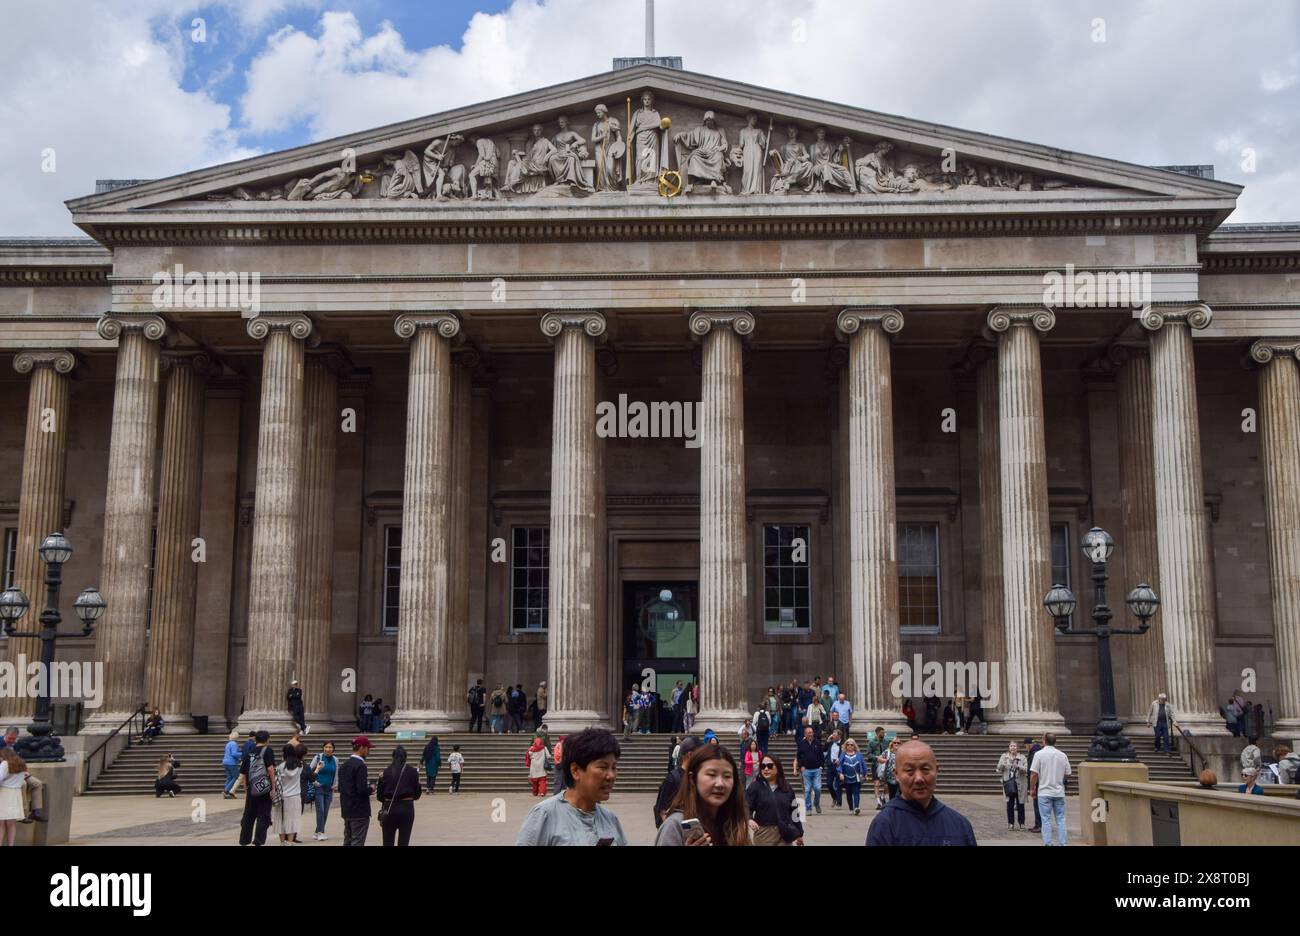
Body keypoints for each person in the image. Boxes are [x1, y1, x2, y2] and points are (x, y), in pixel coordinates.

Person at [516, 727, 626, 845]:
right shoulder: (544, 815)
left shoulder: (610, 819)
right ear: (575, 770)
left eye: (614, 767)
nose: (611, 776)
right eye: (603, 767)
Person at [865, 740, 976, 846]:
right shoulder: (884, 825)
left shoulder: (959, 824)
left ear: (937, 770)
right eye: (909, 771)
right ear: (896, 774)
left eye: (925, 769)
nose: (919, 778)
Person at [656, 744, 749, 846]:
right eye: (711, 774)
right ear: (692, 779)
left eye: (727, 776)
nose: (720, 784)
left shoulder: (736, 824)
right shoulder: (674, 826)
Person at [1029, 733, 1071, 846]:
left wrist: (1032, 789)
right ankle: (1063, 844)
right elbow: (1068, 773)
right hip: (1058, 792)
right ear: (1055, 741)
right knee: (1061, 819)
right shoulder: (1062, 755)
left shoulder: (1039, 754)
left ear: (1044, 741)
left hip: (1044, 791)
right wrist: (1059, 780)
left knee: (1046, 820)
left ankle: (1048, 843)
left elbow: (1034, 774)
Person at [238, 730, 278, 846]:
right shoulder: (268, 750)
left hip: (251, 788)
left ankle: (244, 840)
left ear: (255, 740)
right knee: (263, 814)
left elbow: (244, 773)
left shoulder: (248, 753)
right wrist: (273, 787)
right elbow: (270, 769)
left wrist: (246, 788)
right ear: (267, 739)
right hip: (264, 788)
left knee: (249, 814)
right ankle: (258, 840)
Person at [376, 745, 421, 846]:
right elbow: (417, 795)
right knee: (404, 841)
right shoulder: (413, 772)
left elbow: (379, 796)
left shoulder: (385, 772)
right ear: (405, 757)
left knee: (387, 841)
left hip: (389, 807)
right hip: (407, 807)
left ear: (393, 757)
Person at [653, 735, 701, 828]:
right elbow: (662, 811)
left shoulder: (698, 777)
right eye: (699, 753)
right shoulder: (673, 779)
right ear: (690, 755)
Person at [338, 735, 376, 846]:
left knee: (348, 840)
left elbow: (341, 787)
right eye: (367, 748)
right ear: (361, 748)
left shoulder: (344, 765)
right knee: (357, 841)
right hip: (359, 811)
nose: (368, 751)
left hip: (347, 809)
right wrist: (371, 789)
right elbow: (361, 789)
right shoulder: (360, 765)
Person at [272, 743, 305, 845]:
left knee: (281, 820)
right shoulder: (300, 765)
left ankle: (282, 842)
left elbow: (277, 783)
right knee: (293, 820)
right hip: (295, 796)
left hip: (282, 797)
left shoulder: (280, 767)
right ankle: (290, 842)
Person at [309, 741, 338, 840]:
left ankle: (317, 832)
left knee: (325, 811)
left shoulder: (335, 759)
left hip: (329, 789)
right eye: (326, 747)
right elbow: (309, 771)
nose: (328, 749)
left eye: (330, 747)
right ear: (323, 748)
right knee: (320, 810)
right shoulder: (318, 757)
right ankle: (321, 832)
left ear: (333, 749)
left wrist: (335, 785)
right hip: (319, 788)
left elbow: (336, 773)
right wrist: (314, 782)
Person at [996, 741, 1029, 831]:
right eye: (1011, 746)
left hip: (1020, 784)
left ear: (1017, 747)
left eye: (1014, 746)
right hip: (1009, 784)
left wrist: (1018, 766)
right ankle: (1010, 823)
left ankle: (1022, 823)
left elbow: (1026, 769)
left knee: (1020, 804)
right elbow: (998, 768)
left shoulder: (1022, 757)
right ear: (1009, 747)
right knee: (1009, 805)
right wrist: (1003, 765)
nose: (1013, 748)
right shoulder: (1004, 756)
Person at [0, 749, 29, 846]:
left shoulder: (5, 763)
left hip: (5, 794)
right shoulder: (21, 763)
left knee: (1, 823)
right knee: (11, 824)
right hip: (16, 794)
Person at [796, 726, 823, 815]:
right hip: (806, 770)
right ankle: (808, 808)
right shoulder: (801, 744)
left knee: (817, 788)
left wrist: (821, 766)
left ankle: (816, 803)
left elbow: (821, 755)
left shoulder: (817, 743)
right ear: (805, 734)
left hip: (816, 769)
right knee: (807, 790)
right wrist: (801, 766)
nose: (810, 734)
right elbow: (798, 756)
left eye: (811, 732)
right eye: (808, 733)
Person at [838, 738, 868, 815]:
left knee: (856, 793)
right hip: (847, 777)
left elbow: (863, 764)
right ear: (846, 746)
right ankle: (851, 808)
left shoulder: (859, 754)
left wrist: (865, 773)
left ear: (854, 746)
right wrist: (840, 773)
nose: (850, 746)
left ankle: (856, 807)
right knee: (848, 794)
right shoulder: (843, 754)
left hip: (856, 777)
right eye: (848, 744)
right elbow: (839, 765)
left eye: (851, 744)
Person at [866, 726, 890, 809]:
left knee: (886, 784)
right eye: (882, 732)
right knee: (877, 784)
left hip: (886, 765)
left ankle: (883, 796)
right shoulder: (871, 742)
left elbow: (890, 751)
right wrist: (876, 757)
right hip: (876, 765)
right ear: (877, 733)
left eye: (884, 732)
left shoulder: (886, 742)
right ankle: (878, 802)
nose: (883, 734)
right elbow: (868, 754)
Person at [1025, 736, 1044, 831]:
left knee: (1037, 805)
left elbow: (1032, 772)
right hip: (1042, 783)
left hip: (1037, 783)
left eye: (1026, 746)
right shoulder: (1039, 751)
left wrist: (1031, 787)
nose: (1026, 748)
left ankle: (1039, 825)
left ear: (1028, 745)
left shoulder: (1034, 754)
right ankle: (1040, 824)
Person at [823, 730, 843, 809]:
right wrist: (827, 741)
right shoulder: (830, 743)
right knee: (829, 784)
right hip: (830, 766)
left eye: (834, 735)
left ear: (839, 736)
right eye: (833, 735)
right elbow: (823, 749)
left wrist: (840, 760)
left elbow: (845, 753)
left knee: (838, 785)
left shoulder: (843, 743)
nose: (833, 736)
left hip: (839, 766)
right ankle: (834, 797)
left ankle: (839, 803)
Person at [221, 730, 242, 799]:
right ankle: (226, 790)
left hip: (225, 762)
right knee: (236, 776)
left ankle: (225, 789)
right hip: (231, 763)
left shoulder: (228, 743)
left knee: (230, 777)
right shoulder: (234, 744)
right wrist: (242, 754)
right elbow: (234, 754)